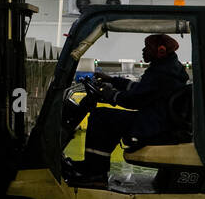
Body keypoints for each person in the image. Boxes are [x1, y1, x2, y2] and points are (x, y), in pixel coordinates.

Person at [77, 34, 190, 186]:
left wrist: (111, 95)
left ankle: (95, 173)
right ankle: (94, 167)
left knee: (100, 117)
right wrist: (112, 81)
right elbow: (140, 90)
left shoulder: (161, 72)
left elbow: (134, 100)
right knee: (109, 118)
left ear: (160, 51)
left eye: (147, 47)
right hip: (158, 120)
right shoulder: (168, 68)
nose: (143, 51)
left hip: (153, 125)